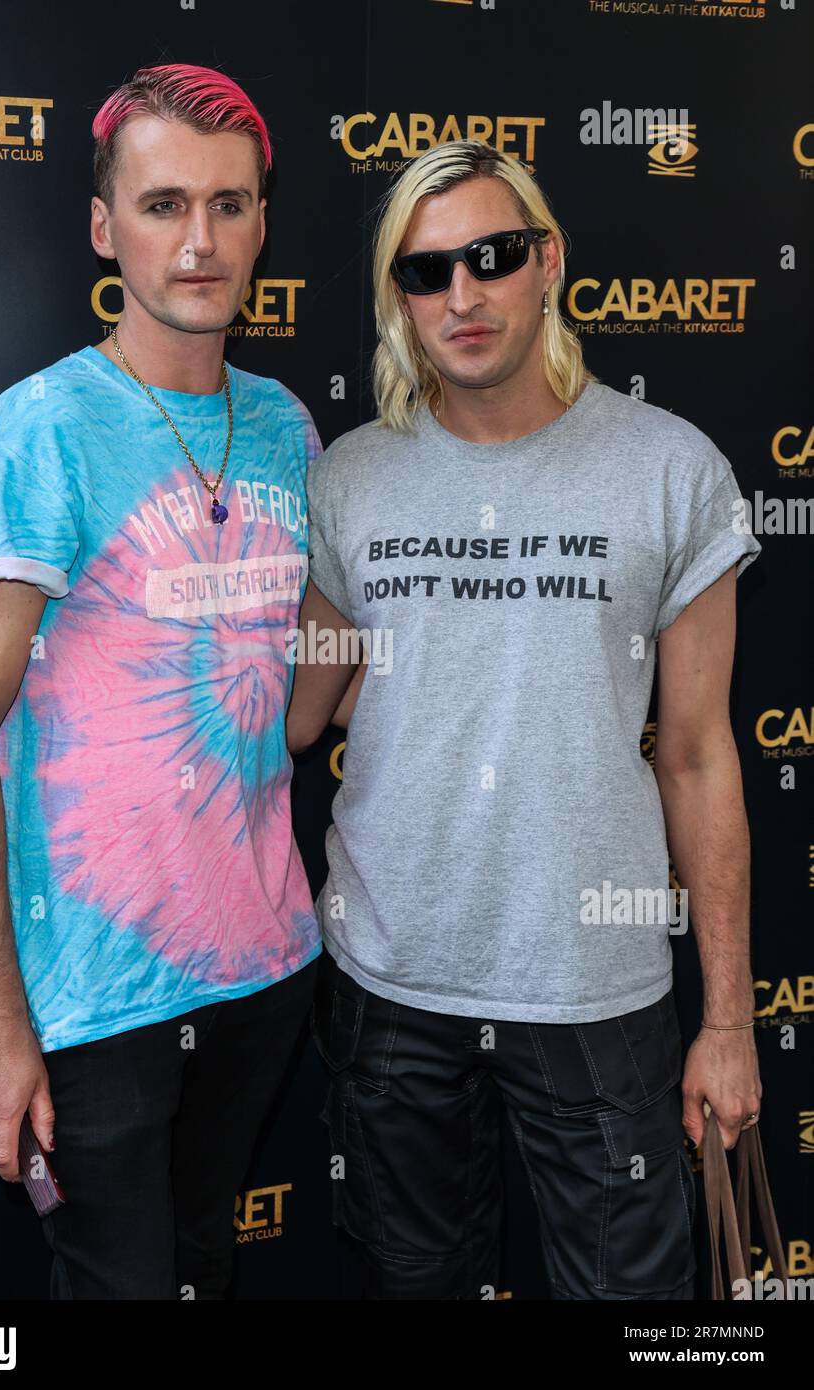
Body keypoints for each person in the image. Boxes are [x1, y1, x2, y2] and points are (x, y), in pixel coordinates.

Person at [287, 139, 764, 1300]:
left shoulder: (670, 470)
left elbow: (698, 756)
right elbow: (300, 714)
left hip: (594, 991)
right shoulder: (350, 476)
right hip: (390, 981)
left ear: (547, 262)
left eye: (492, 256)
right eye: (425, 270)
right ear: (398, 297)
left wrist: (731, 1022)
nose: (461, 294)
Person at [0, 62, 323, 1300]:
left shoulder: (288, 428)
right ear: (106, 228)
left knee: (203, 1266)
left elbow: (298, 697)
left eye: (229, 205)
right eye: (161, 206)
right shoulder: (39, 429)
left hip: (263, 966)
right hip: (94, 997)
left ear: (260, 222)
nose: (198, 242)